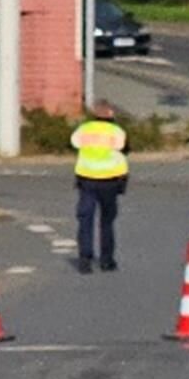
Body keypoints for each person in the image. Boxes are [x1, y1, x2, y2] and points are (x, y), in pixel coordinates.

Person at [70, 101, 129, 275]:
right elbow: (124, 149)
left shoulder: (84, 129)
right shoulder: (116, 131)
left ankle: (85, 260)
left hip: (87, 179)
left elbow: (74, 144)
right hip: (110, 180)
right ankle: (106, 260)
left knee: (85, 220)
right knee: (107, 221)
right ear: (110, 113)